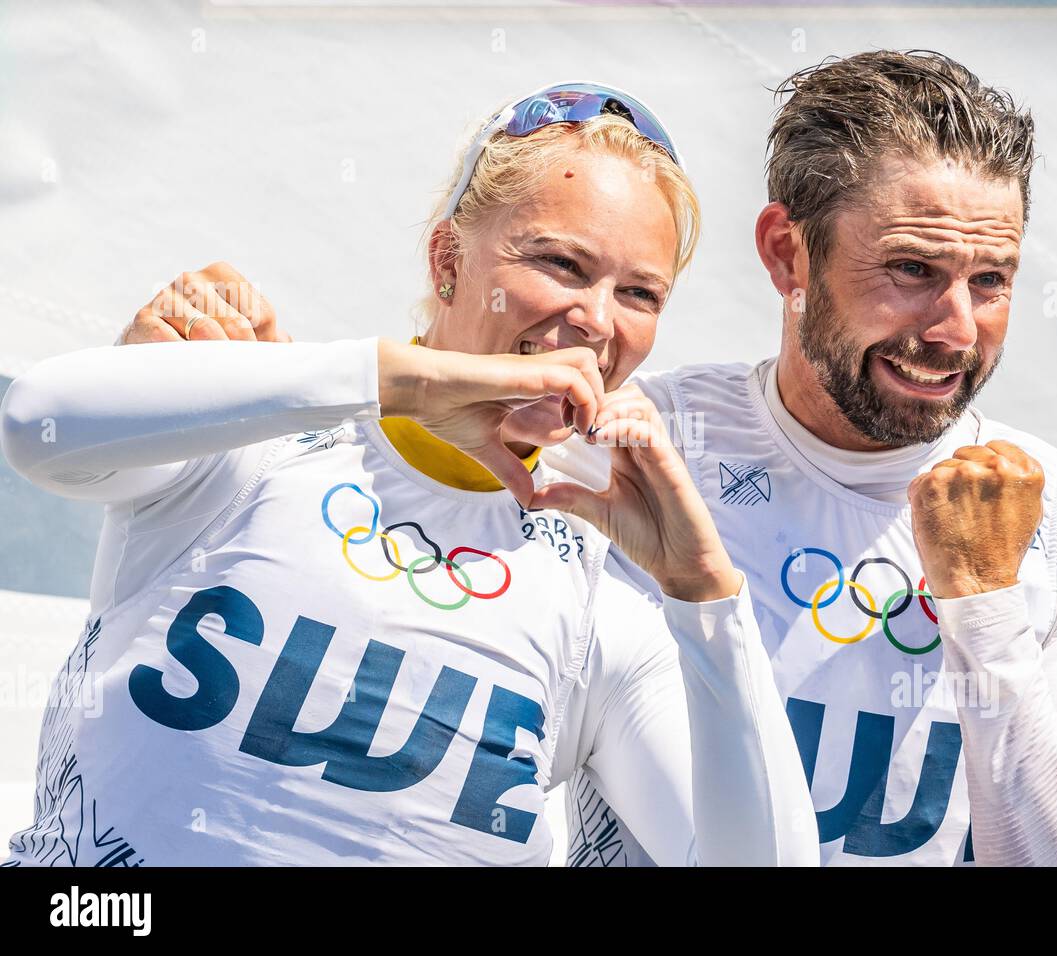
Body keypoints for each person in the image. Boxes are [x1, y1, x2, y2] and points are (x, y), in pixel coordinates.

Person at [116, 52, 1057, 868]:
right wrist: (235, 387)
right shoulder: (619, 447)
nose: (952, 325)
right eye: (909, 269)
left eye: (992, 280)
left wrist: (987, 613)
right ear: (785, 254)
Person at [0, 83, 819, 867]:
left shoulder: (601, 601)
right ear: (447, 261)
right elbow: (37, 424)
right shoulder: (257, 441)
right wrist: (393, 385)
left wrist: (706, 592)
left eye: (639, 292)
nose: (597, 320)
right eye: (561, 264)